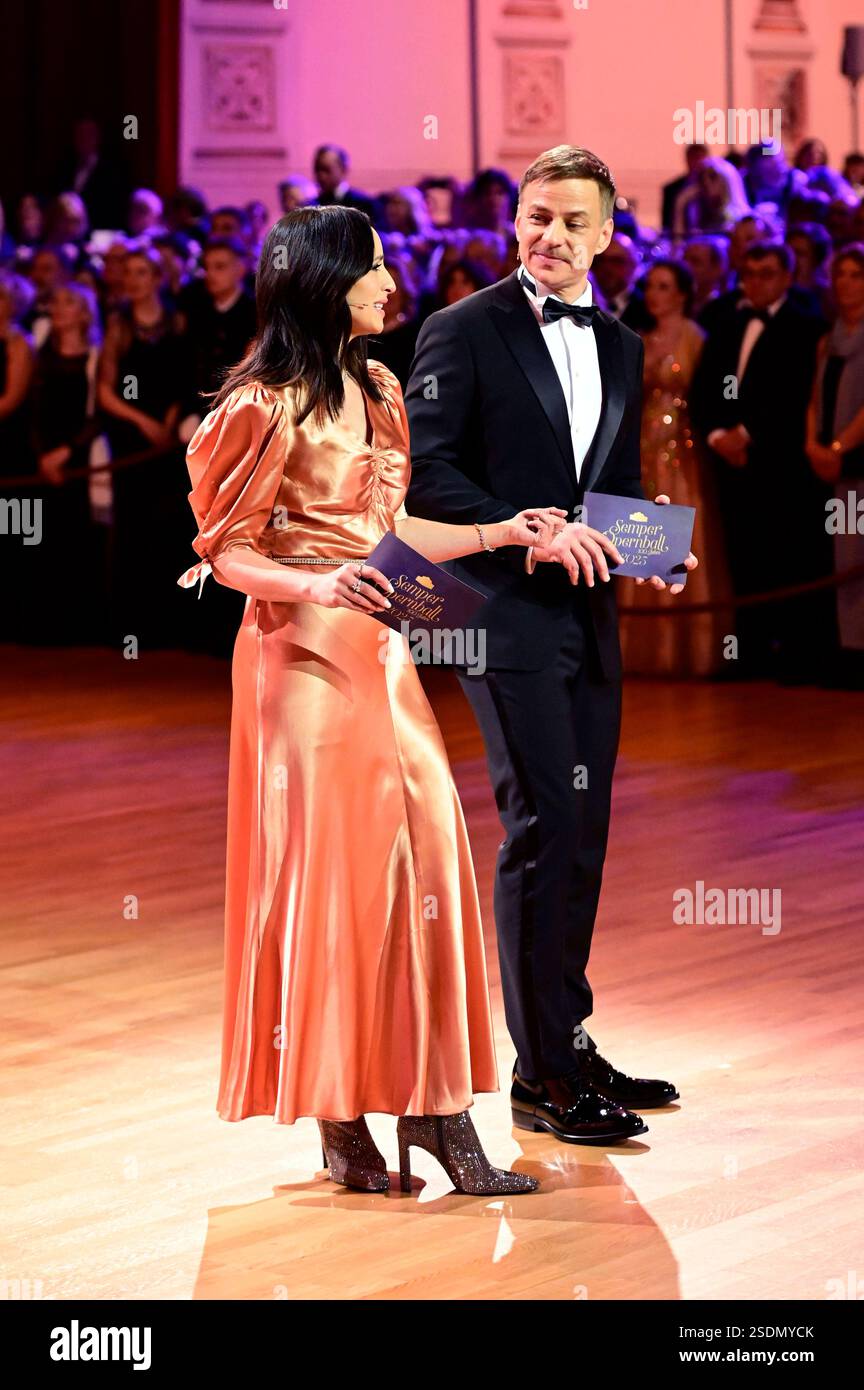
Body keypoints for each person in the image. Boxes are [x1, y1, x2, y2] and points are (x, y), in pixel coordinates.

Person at [176, 207, 566, 1194]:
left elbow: (390, 532)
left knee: (430, 845)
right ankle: (342, 1116)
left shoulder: (383, 385)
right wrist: (316, 586)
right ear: (324, 280)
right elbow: (225, 551)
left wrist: (495, 534)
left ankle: (438, 1111)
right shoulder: (260, 406)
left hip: (382, 645)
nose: (394, 280)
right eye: (376, 267)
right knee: (341, 878)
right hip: (296, 655)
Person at [405, 145, 697, 1145]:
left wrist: (657, 547)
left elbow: (601, 495)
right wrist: (524, 524)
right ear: (516, 221)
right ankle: (539, 1076)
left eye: (574, 221)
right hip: (495, 614)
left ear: (608, 233)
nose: (552, 236)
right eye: (538, 216)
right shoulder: (461, 328)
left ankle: (565, 1035)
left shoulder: (618, 343)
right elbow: (425, 481)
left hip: (588, 611)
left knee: (586, 828)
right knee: (542, 824)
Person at [691, 240, 829, 679]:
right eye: (749, 274)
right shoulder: (725, 324)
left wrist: (746, 432)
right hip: (730, 466)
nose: (756, 282)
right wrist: (716, 435)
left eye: (766, 273)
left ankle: (790, 658)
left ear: (787, 277)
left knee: (785, 558)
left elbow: (797, 395)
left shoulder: (807, 328)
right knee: (740, 557)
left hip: (781, 466)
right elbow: (703, 389)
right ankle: (744, 656)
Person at [618, 260, 731, 677]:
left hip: (683, 451)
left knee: (683, 525)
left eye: (664, 286)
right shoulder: (640, 337)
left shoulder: (695, 338)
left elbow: (706, 398)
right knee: (642, 528)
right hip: (645, 448)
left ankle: (689, 649)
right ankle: (644, 648)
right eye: (650, 286)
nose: (654, 293)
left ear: (682, 292)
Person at [806, 244, 864, 685]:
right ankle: (849, 651)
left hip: (856, 460)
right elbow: (815, 398)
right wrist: (814, 445)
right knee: (845, 556)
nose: (845, 283)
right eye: (840, 274)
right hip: (833, 465)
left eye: (855, 275)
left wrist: (841, 447)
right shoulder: (829, 338)